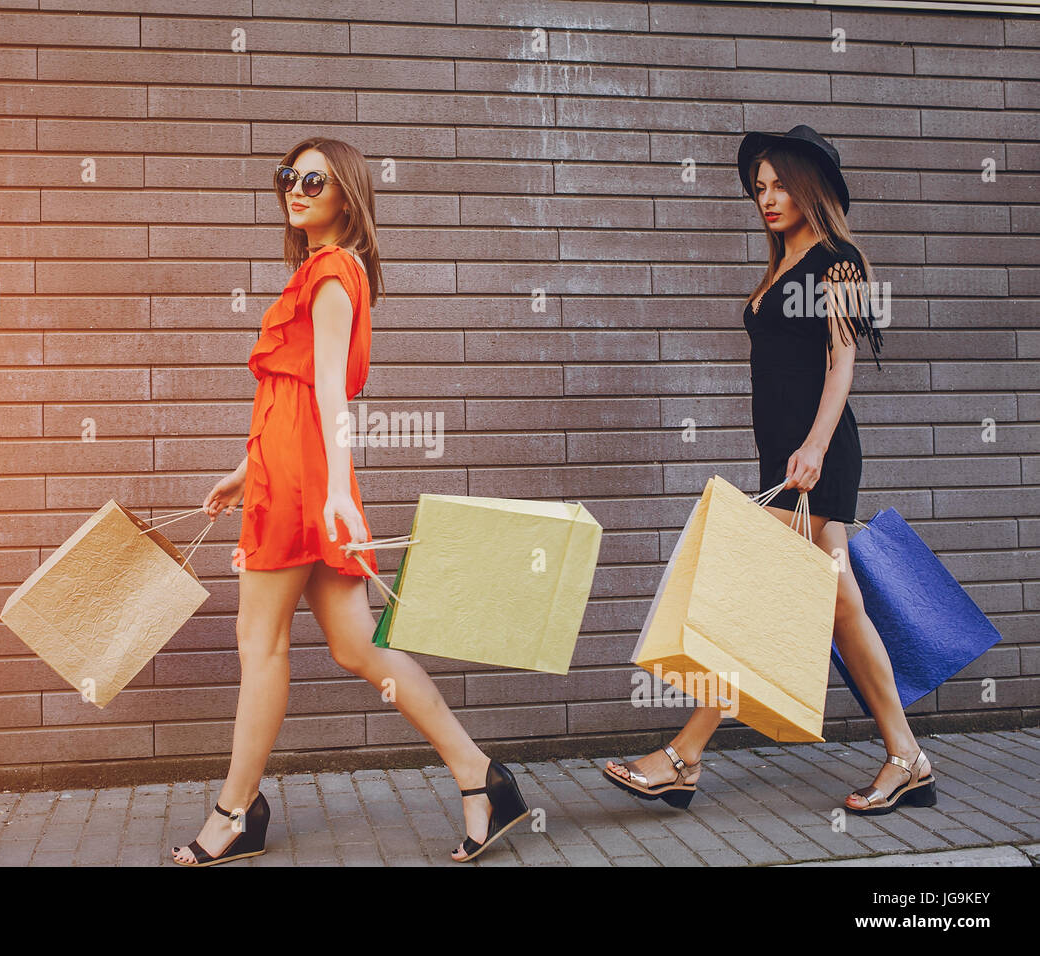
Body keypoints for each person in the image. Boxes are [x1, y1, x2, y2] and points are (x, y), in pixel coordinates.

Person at [170, 137, 528, 865]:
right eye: (288, 177)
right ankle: (481, 776)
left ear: (346, 195)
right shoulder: (322, 268)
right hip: (288, 469)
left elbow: (330, 388)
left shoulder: (332, 270)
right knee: (356, 643)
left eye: (314, 180)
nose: (296, 190)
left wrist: (336, 488)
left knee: (260, 646)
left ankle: (236, 811)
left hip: (304, 481)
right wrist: (246, 469)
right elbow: (293, 390)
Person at [603, 126, 936, 817]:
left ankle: (684, 756)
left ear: (810, 186)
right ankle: (907, 758)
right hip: (787, 457)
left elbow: (841, 362)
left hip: (817, 458)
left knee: (756, 598)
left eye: (779, 183)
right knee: (841, 606)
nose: (767, 197)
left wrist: (814, 446)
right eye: (758, 187)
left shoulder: (837, 263)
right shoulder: (783, 262)